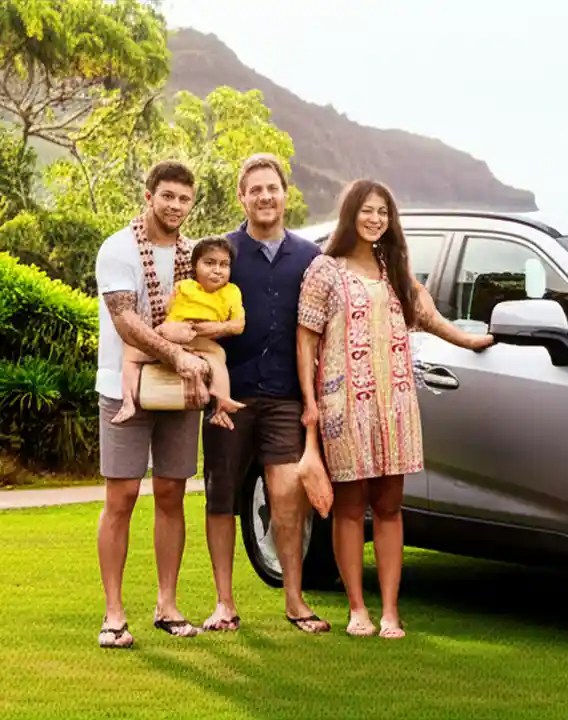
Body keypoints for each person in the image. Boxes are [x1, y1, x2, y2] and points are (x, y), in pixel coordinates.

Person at [296, 179, 493, 638]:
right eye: (366, 210)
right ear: (351, 214)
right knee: (349, 508)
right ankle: (356, 610)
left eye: (382, 212)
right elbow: (305, 340)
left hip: (397, 403)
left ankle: (389, 611)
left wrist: (472, 340)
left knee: (389, 506)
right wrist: (310, 404)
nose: (375, 219)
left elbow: (430, 317)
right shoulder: (325, 270)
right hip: (343, 402)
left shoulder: (395, 269)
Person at [200, 153, 329, 634]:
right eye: (254, 189)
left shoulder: (311, 257)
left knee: (286, 495)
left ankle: (295, 601)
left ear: (285, 192)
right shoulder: (221, 254)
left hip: (286, 397)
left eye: (271, 187)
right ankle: (224, 604)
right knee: (221, 497)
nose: (265, 196)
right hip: (227, 397)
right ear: (242, 197)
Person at [94, 160, 210, 648]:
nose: (176, 206)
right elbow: (125, 322)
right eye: (168, 196)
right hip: (125, 388)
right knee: (120, 498)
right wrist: (177, 352)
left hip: (179, 390)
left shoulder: (193, 254)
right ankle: (114, 614)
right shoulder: (118, 249)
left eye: (184, 199)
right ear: (149, 196)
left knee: (171, 494)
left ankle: (167, 606)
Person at [111, 235, 246, 429]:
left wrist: (210, 328)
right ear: (194, 266)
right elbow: (168, 309)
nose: (217, 270)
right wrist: (168, 331)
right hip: (170, 338)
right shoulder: (184, 286)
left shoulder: (231, 292)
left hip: (199, 339)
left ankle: (221, 401)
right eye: (209, 263)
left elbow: (238, 324)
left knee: (219, 357)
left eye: (224, 265)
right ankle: (128, 401)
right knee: (130, 352)